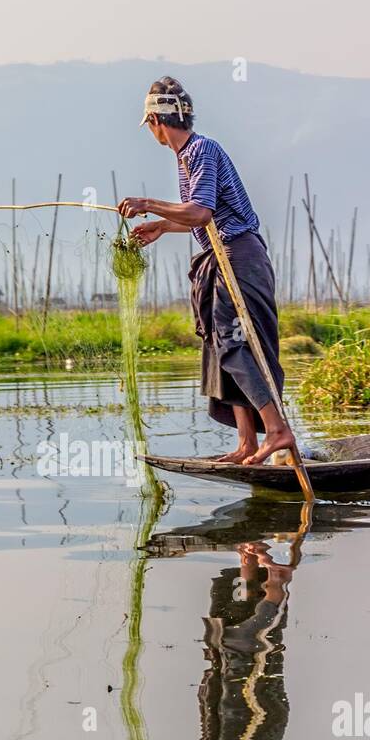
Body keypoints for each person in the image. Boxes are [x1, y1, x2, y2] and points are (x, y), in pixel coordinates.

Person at [118, 76, 295, 466]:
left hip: (240, 257)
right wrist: (164, 225)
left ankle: (278, 431)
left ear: (156, 122)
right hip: (224, 254)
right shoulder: (188, 156)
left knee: (236, 342)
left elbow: (201, 212)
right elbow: (202, 220)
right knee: (220, 345)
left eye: (149, 125)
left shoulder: (200, 150)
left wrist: (149, 204)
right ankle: (248, 444)